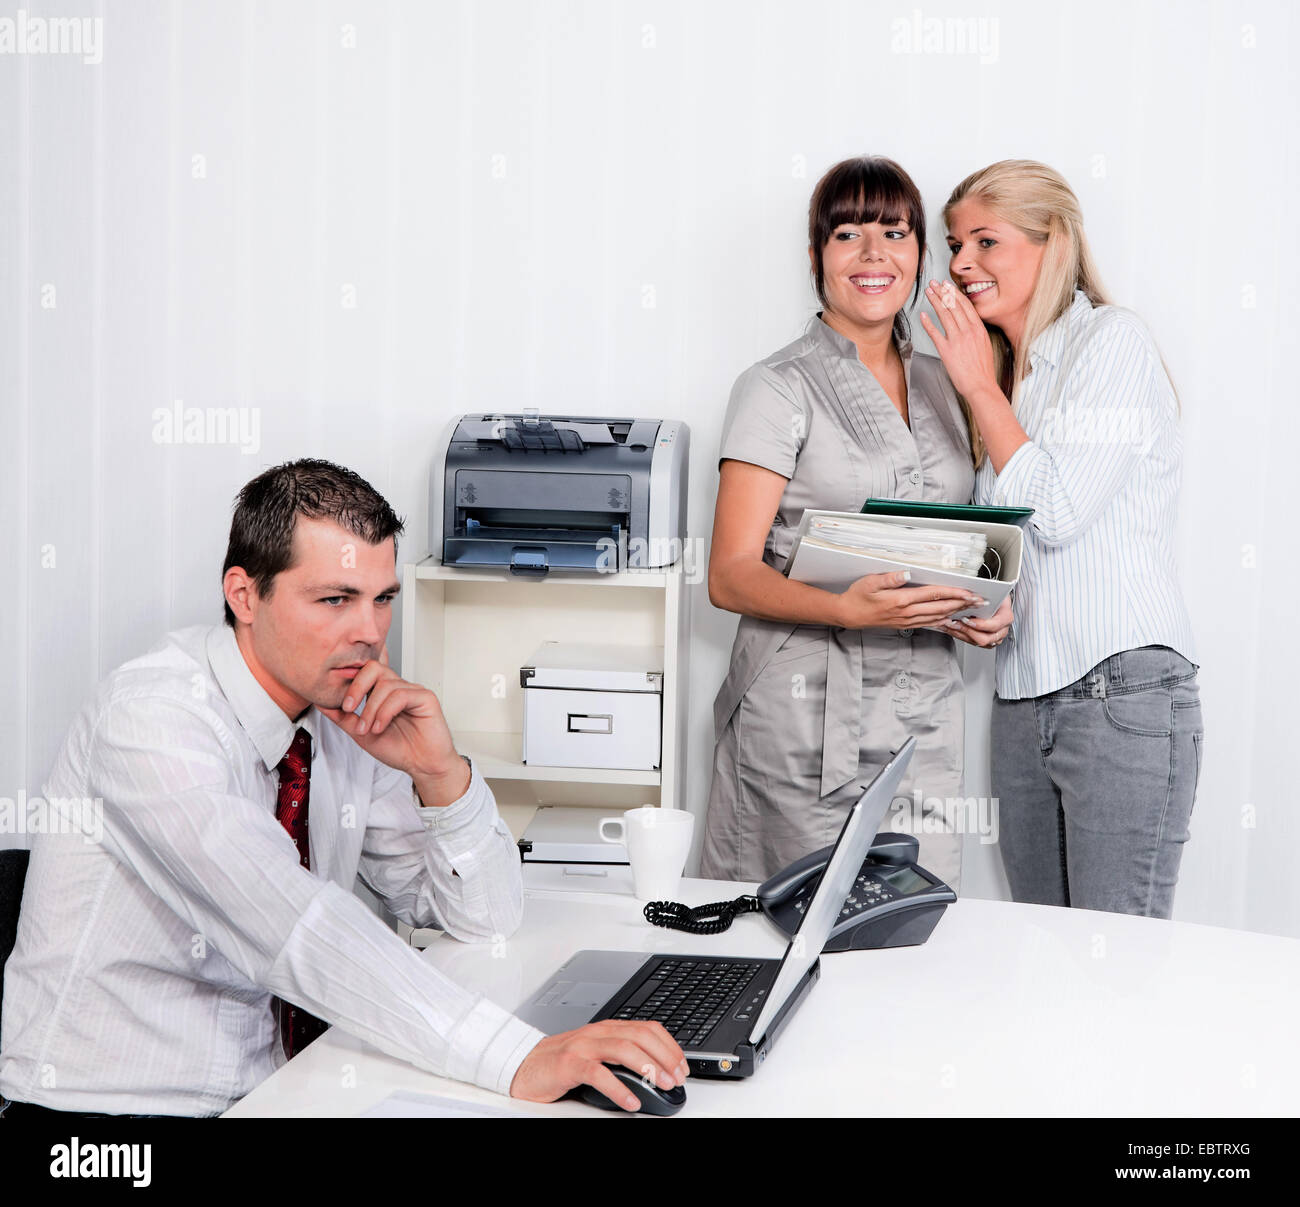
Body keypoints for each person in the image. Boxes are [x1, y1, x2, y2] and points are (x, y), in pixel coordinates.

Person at [0, 459, 685, 1117]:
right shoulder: (152, 719)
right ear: (244, 595)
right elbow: (296, 927)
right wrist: (518, 1056)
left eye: (383, 599)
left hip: (279, 1088)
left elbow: (485, 920)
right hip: (109, 1114)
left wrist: (440, 775)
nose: (369, 633)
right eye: (335, 599)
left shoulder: (339, 709)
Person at [699, 156, 1013, 889]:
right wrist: (843, 607)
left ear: (920, 254)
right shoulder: (777, 388)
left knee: (912, 929)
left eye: (895, 234)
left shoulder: (951, 382)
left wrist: (988, 607)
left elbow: (968, 540)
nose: (874, 256)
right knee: (791, 930)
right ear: (817, 257)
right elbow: (729, 573)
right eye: (848, 235)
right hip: (805, 717)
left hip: (923, 708)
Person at [920, 159, 1203, 918]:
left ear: (1054, 245)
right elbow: (1008, 546)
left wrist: (978, 386)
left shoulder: (1111, 343)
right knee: (1044, 964)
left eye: (986, 241)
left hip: (1122, 700)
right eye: (954, 244)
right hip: (1022, 708)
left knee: (1118, 970)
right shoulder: (1010, 380)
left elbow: (1062, 508)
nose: (961, 264)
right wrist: (985, 606)